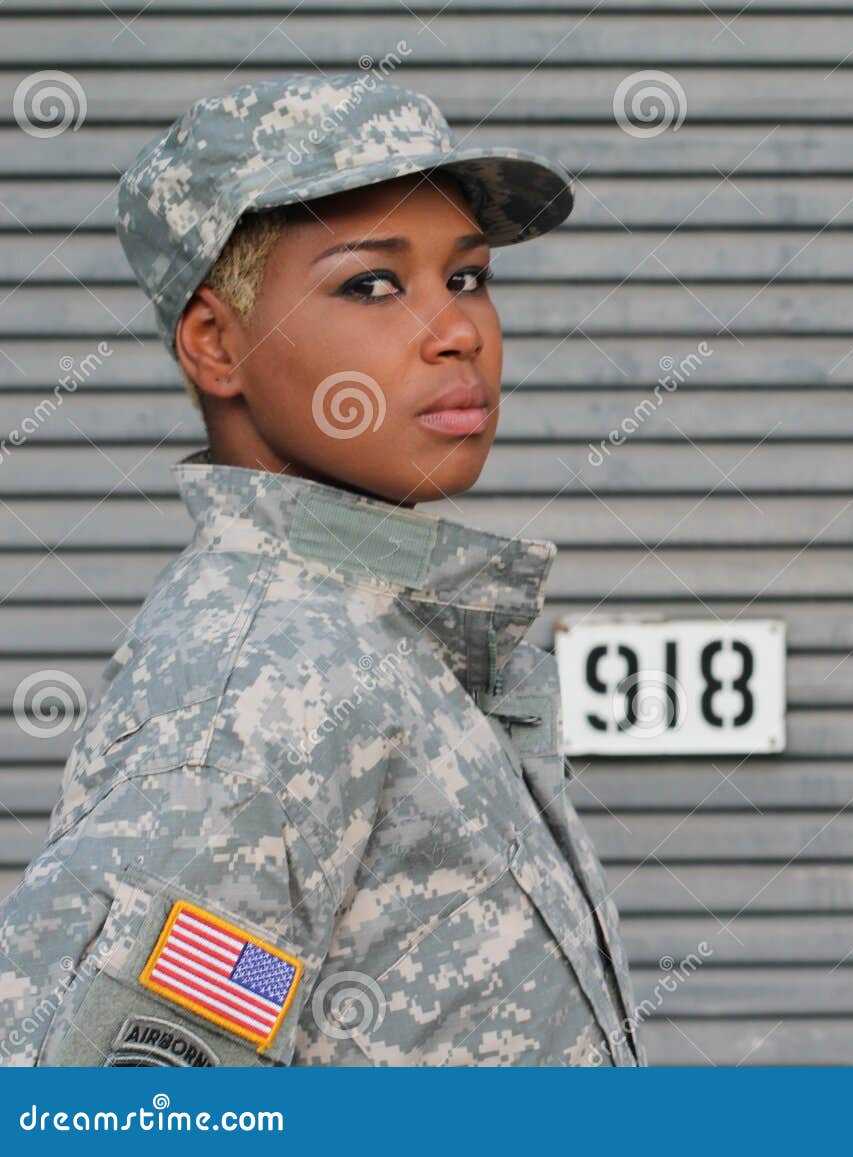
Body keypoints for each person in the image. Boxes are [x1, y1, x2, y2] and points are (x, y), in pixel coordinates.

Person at [0, 74, 642, 1067]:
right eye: (371, 285)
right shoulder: (262, 693)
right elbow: (122, 1117)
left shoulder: (379, 635)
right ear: (217, 344)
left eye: (467, 276)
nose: (458, 331)